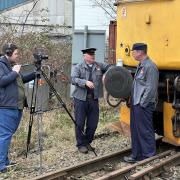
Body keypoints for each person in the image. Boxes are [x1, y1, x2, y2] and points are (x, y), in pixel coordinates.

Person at [0, 43, 35, 173]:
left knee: (8, 135)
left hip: (17, 106)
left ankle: (5, 161)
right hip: (6, 107)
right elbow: (2, 81)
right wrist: (15, 72)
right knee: (4, 135)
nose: (17, 56)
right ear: (8, 53)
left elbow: (21, 80)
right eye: (16, 53)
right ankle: (1, 165)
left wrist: (35, 73)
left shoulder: (10, 66)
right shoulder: (1, 65)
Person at [124, 43, 159, 163]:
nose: (132, 53)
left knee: (145, 130)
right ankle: (137, 155)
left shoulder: (150, 67)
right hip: (136, 102)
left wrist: (142, 103)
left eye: (134, 51)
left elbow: (151, 88)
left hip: (143, 104)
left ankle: (149, 155)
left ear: (140, 52)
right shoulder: (141, 65)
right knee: (136, 130)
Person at [71, 48, 110, 154]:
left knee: (93, 124)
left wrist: (106, 74)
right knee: (79, 123)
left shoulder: (98, 66)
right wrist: (85, 82)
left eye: (93, 54)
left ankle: (87, 142)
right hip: (80, 99)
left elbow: (110, 67)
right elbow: (73, 79)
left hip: (93, 99)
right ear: (84, 56)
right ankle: (81, 144)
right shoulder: (78, 67)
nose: (93, 56)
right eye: (90, 54)